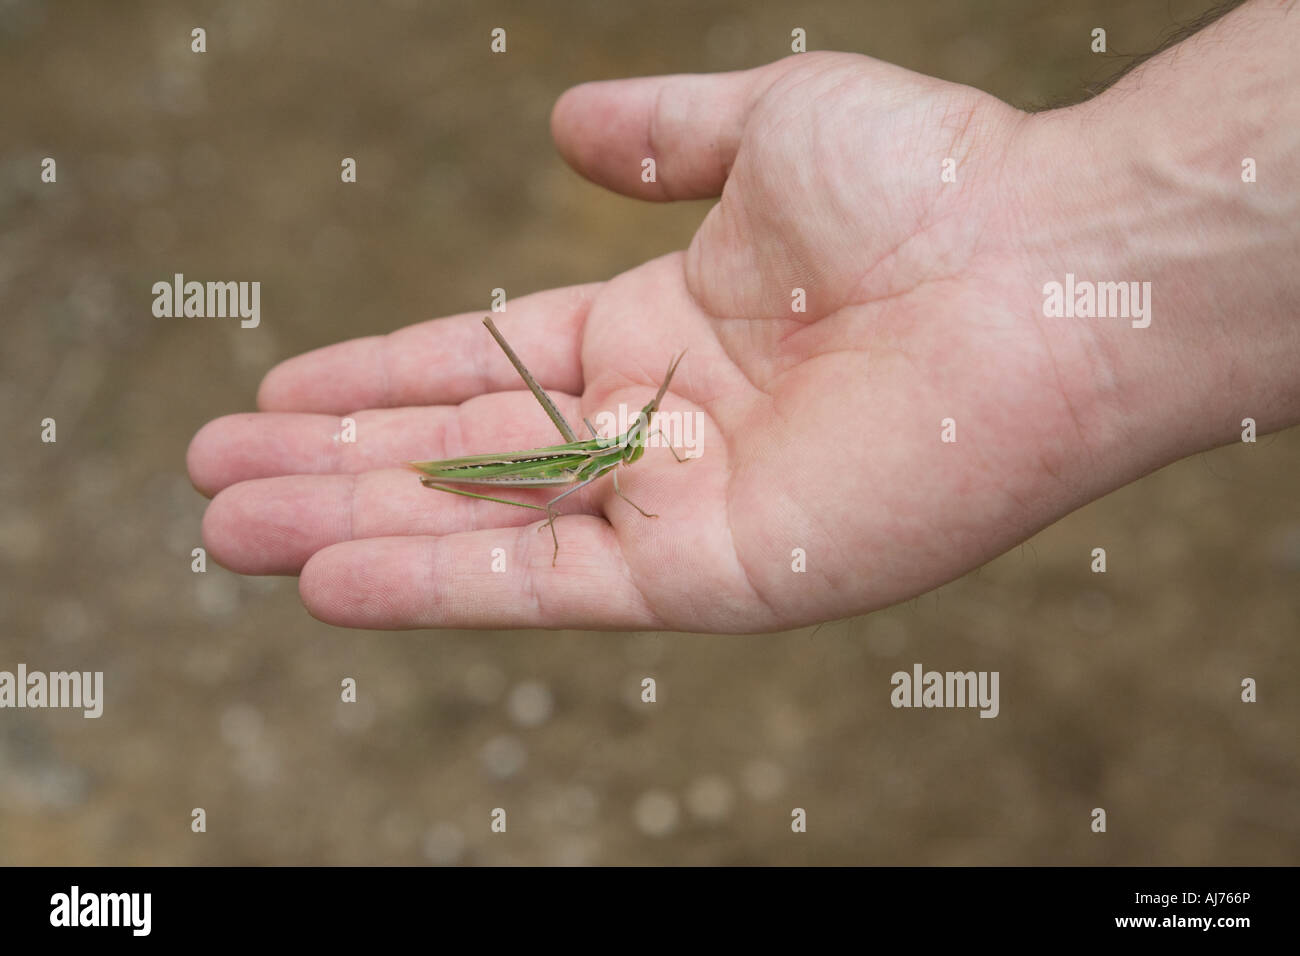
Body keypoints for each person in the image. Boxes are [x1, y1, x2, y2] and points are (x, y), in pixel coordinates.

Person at [187, 0, 1298, 632]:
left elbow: (629, 466)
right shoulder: (599, 462)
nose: (643, 439)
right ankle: (451, 475)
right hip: (546, 464)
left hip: (576, 457)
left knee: (567, 465)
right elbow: (588, 484)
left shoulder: (626, 453)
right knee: (529, 472)